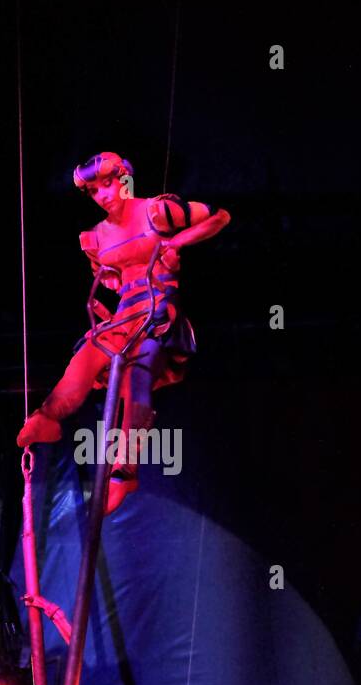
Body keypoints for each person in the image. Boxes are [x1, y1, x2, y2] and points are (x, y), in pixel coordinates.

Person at [17, 151, 231, 514]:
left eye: (107, 183)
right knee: (85, 359)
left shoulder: (157, 211)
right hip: (124, 312)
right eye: (94, 190)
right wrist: (114, 286)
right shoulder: (96, 237)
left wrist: (175, 244)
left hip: (158, 306)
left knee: (137, 379)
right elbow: (111, 281)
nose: (103, 194)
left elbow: (219, 217)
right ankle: (48, 417)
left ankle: (124, 471)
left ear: (123, 179)